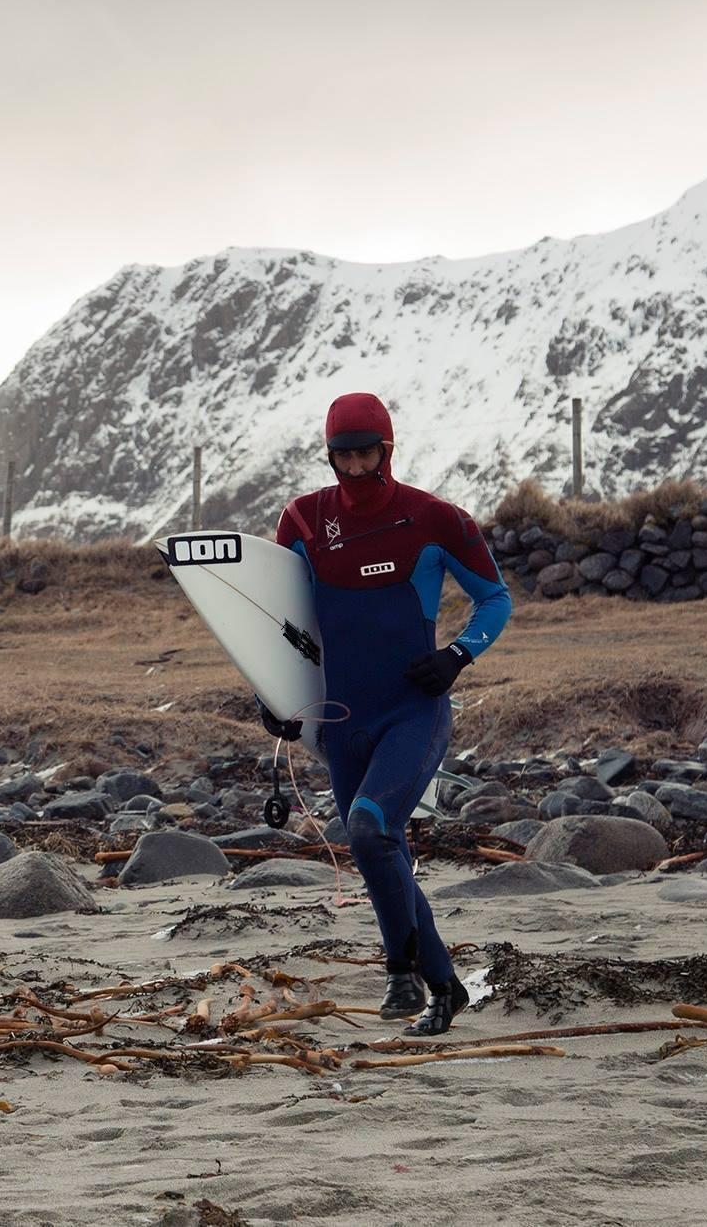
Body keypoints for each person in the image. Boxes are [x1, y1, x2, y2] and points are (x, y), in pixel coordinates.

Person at [261, 391, 511, 1036]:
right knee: (380, 849)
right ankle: (444, 987)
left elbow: (494, 600)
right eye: (342, 456)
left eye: (365, 453)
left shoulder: (433, 518)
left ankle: (401, 970)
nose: (353, 467)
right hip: (342, 720)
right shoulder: (305, 520)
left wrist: (457, 656)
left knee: (372, 830)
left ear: (387, 450)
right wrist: (275, 694)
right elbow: (280, 621)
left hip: (412, 711)